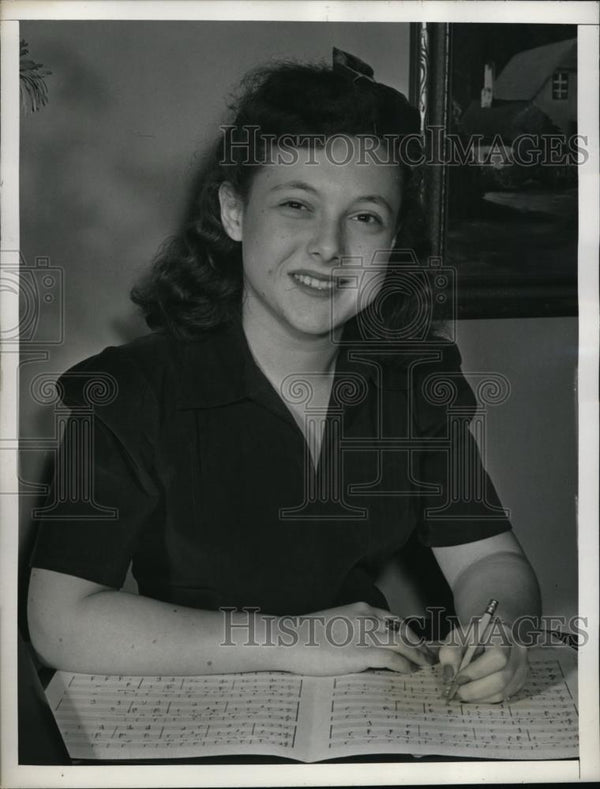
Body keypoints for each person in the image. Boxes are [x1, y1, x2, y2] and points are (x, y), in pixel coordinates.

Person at [27, 50, 541, 704]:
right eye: (297, 204)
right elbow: (57, 619)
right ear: (235, 213)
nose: (331, 246)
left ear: (390, 244)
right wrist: (292, 640)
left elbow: (489, 560)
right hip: (192, 713)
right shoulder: (128, 392)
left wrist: (502, 632)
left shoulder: (415, 387)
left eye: (365, 216)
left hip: (365, 712)